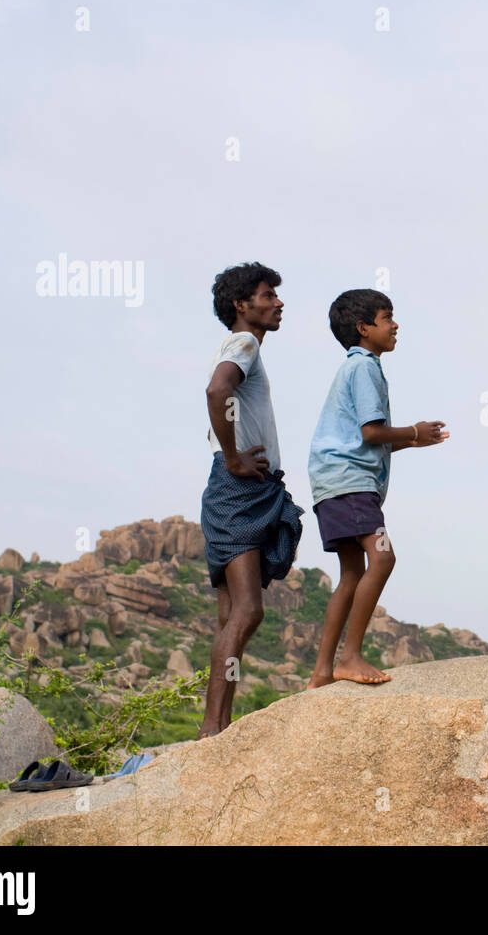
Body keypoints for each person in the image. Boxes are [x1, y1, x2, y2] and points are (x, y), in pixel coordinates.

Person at [306, 289, 448, 688]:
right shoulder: (364, 366)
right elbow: (371, 433)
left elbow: (367, 435)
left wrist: (411, 439)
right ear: (364, 328)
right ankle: (349, 657)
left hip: (331, 481)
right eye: (388, 317)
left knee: (353, 572)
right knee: (382, 559)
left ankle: (321, 672)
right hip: (351, 482)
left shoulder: (353, 368)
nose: (395, 324)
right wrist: (413, 430)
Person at [199, 261, 303, 738]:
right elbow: (217, 389)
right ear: (242, 305)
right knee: (248, 610)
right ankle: (212, 731)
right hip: (240, 486)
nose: (278, 302)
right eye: (267, 295)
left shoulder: (247, 348)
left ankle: (217, 727)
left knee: (230, 614)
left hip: (240, 487)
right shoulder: (243, 344)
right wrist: (236, 457)